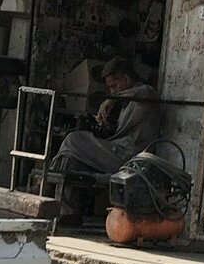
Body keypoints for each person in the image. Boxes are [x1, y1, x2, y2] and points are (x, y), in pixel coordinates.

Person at [51, 56, 159, 218]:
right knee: (71, 156)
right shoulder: (127, 103)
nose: (112, 91)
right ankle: (65, 211)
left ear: (125, 78)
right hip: (118, 151)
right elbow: (122, 132)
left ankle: (48, 186)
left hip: (131, 157)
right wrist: (106, 128)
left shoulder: (145, 93)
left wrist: (111, 100)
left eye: (114, 86)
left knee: (73, 140)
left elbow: (143, 93)